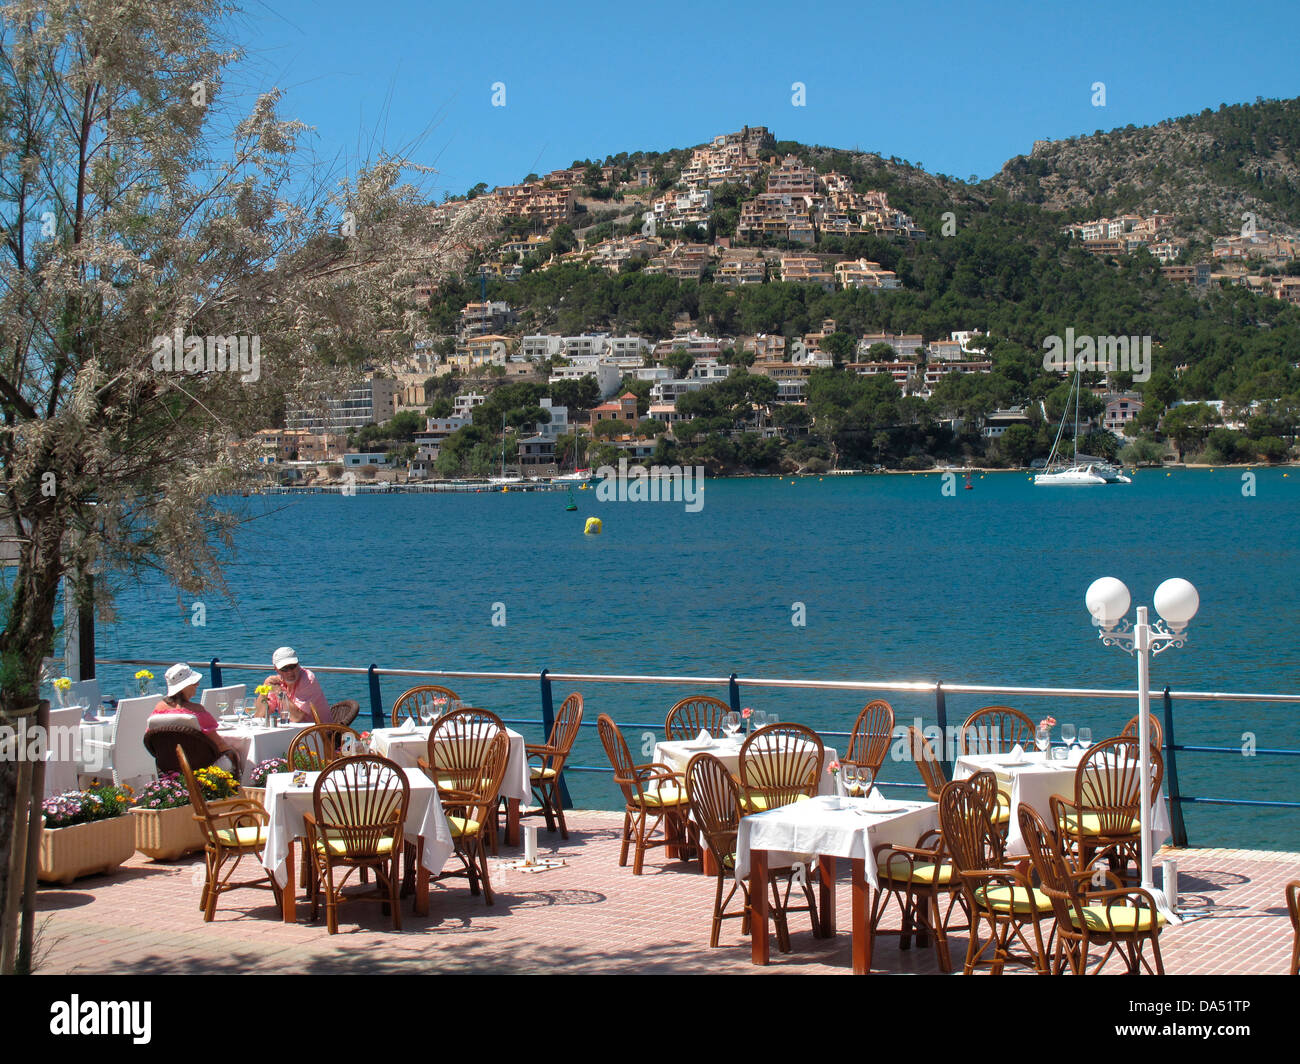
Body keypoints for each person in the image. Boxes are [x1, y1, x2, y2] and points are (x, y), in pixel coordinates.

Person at [152, 663, 235, 752]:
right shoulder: (197, 711)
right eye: (194, 682)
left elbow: (153, 741)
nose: (198, 684)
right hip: (203, 763)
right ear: (185, 687)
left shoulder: (158, 709)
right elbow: (219, 744)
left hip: (168, 763)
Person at [257, 647, 330, 724]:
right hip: (295, 732)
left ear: (298, 664)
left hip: (319, 733)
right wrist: (264, 689)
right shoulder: (276, 683)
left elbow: (297, 717)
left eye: (292, 666)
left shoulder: (307, 679)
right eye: (284, 668)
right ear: (276, 669)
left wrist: (279, 692)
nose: (290, 672)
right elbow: (259, 715)